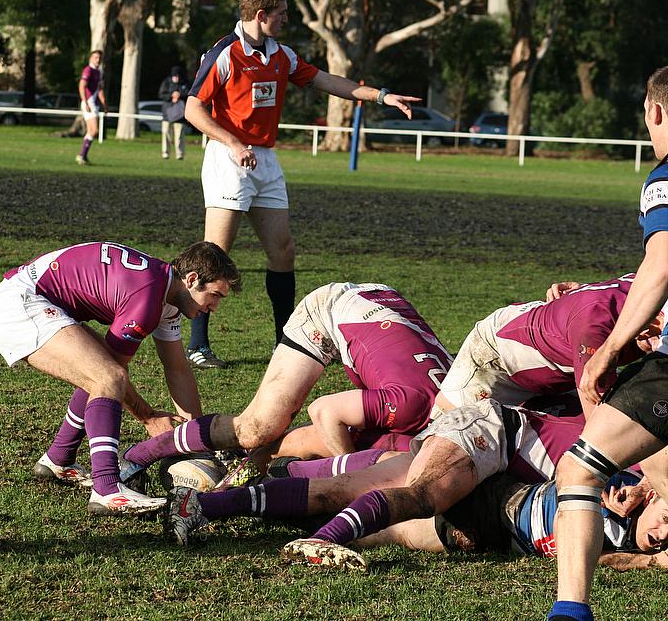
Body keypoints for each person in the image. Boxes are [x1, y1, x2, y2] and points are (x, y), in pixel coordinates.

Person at [183, 0, 420, 369]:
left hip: (265, 159)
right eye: (282, 14)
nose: (286, 20)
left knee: (283, 251)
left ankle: (285, 342)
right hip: (228, 158)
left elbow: (327, 81)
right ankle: (197, 345)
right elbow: (192, 108)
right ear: (261, 15)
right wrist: (233, 143)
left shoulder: (282, 55)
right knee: (215, 254)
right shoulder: (225, 53)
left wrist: (382, 96)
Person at [0, 241, 240, 515]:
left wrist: (196, 438)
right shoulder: (147, 296)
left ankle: (59, 458)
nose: (215, 307)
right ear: (192, 279)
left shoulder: (166, 296)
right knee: (108, 376)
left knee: (102, 373)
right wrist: (148, 416)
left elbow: (178, 369)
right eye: (215, 295)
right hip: (20, 303)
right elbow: (113, 372)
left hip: (34, 298)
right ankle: (107, 489)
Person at [119, 282, 453, 484]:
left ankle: (246, 461)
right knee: (257, 428)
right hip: (328, 311)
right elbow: (323, 411)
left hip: (383, 305)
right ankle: (137, 456)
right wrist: (350, 478)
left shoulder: (458, 406)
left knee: (366, 439)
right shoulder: (409, 406)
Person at [548, 67, 668, 621]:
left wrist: (609, 348)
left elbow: (661, 264)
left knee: (579, 472)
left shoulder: (663, 178)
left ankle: (571, 613)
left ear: (655, 111)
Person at [164, 396, 592, 548]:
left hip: (491, 452)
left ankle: (200, 505)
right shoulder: (622, 447)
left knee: (341, 496)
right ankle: (320, 541)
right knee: (419, 498)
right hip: (492, 435)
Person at [283, 469, 668, 571]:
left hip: (490, 537)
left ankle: (300, 525)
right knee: (381, 489)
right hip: (494, 502)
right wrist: (628, 487)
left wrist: (650, 560)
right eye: (666, 518)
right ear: (654, 495)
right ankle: (283, 485)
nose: (662, 532)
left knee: (387, 533)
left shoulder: (635, 546)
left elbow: (587, 556)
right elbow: (577, 468)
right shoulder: (622, 485)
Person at [432, 274, 666, 418]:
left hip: (556, 356)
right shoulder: (593, 328)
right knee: (448, 425)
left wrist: (581, 293)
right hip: (496, 357)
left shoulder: (653, 285)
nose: (661, 344)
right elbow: (599, 420)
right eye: (662, 334)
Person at [76, 50, 106, 166]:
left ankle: (82, 156)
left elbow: (100, 89)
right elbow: (82, 86)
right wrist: (85, 102)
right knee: (94, 130)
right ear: (91, 58)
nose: (98, 60)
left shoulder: (99, 72)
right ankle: (82, 155)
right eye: (95, 57)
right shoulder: (88, 70)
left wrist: (104, 104)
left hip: (94, 103)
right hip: (89, 102)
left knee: (91, 131)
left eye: (99, 58)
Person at [159, 66, 189, 160]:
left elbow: (189, 94)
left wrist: (180, 95)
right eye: (175, 76)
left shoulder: (184, 83)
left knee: (179, 135)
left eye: (178, 76)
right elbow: (161, 94)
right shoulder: (166, 82)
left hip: (180, 114)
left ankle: (179, 154)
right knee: (166, 133)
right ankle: (165, 153)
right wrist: (171, 95)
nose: (177, 78)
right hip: (167, 114)